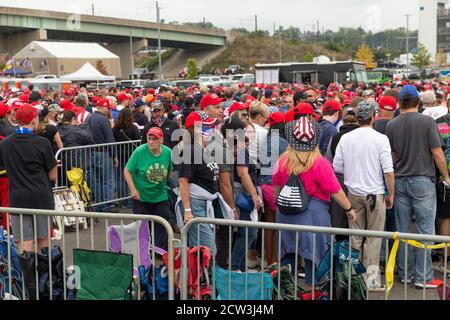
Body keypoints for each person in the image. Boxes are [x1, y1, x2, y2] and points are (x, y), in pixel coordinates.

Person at [273, 117, 356, 290]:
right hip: (313, 216)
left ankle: (285, 292)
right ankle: (311, 292)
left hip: (285, 214)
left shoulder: (282, 161)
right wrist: (349, 208)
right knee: (315, 258)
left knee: (287, 257)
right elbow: (335, 191)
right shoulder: (319, 163)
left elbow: (277, 188)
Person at [386, 85, 450, 289]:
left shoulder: (392, 124)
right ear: (417, 101)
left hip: (400, 179)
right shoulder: (427, 121)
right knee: (424, 230)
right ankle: (424, 277)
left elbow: (392, 155)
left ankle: (406, 273)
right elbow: (437, 153)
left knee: (403, 230)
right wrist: (447, 177)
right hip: (423, 179)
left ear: (401, 102)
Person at [333, 100, 395, 291]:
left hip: (353, 194)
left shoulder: (345, 138)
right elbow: (388, 171)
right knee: (374, 239)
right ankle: (371, 280)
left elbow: (337, 167)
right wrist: (390, 193)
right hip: (375, 194)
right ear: (373, 117)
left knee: (355, 238)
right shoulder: (380, 138)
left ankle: (352, 278)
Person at [0, 104, 57, 252]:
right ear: (33, 120)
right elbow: (53, 175)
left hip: (18, 197)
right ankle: (44, 274)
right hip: (41, 196)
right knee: (43, 238)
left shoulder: (5, 143)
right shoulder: (43, 143)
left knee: (25, 241)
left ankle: (29, 275)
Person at [175, 111, 233, 254]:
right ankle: (204, 276)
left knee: (202, 250)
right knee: (208, 250)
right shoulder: (190, 149)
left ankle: (198, 276)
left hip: (204, 202)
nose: (211, 130)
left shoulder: (202, 148)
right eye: (207, 127)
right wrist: (188, 211)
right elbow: (183, 181)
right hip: (195, 205)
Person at [124, 127, 172, 250]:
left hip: (160, 195)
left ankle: (160, 253)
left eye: (154, 139)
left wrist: (164, 183)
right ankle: (144, 253)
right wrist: (133, 190)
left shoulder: (167, 152)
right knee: (143, 228)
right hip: (141, 196)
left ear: (161, 140)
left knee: (162, 224)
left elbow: (169, 171)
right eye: (149, 139)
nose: (151, 142)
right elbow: (127, 170)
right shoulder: (140, 152)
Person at [259, 112, 289, 266]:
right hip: (275, 186)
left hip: (263, 185)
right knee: (278, 227)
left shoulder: (266, 140)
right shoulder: (282, 142)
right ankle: (275, 262)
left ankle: (269, 261)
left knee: (269, 226)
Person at [85, 98, 119, 212]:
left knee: (97, 180)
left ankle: (101, 204)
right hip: (103, 153)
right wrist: (114, 155)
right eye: (108, 108)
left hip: (91, 152)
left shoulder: (89, 118)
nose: (108, 110)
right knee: (107, 180)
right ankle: (106, 205)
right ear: (103, 107)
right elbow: (110, 138)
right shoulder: (103, 119)